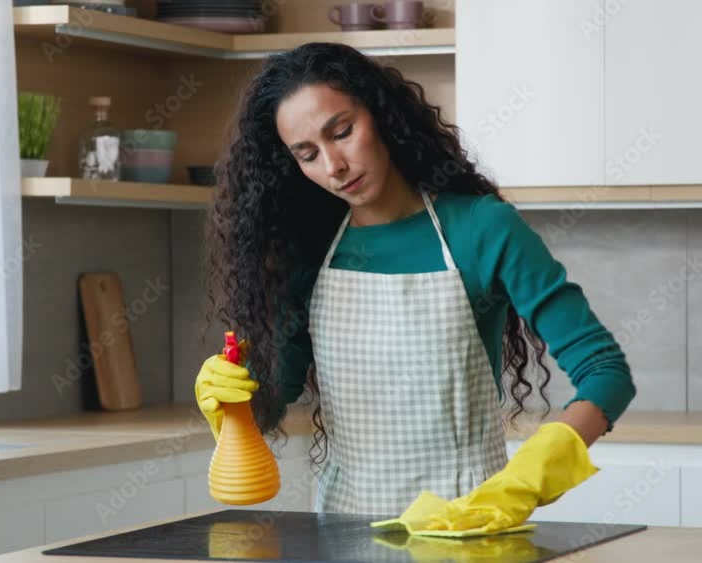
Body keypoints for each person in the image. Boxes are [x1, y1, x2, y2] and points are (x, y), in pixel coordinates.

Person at [194, 42, 636, 532]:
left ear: (382, 115)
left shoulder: (481, 229)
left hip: (470, 527)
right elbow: (276, 395)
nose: (333, 165)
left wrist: (527, 480)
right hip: (345, 528)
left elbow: (605, 371)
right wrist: (232, 404)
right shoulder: (310, 248)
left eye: (342, 132)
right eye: (307, 154)